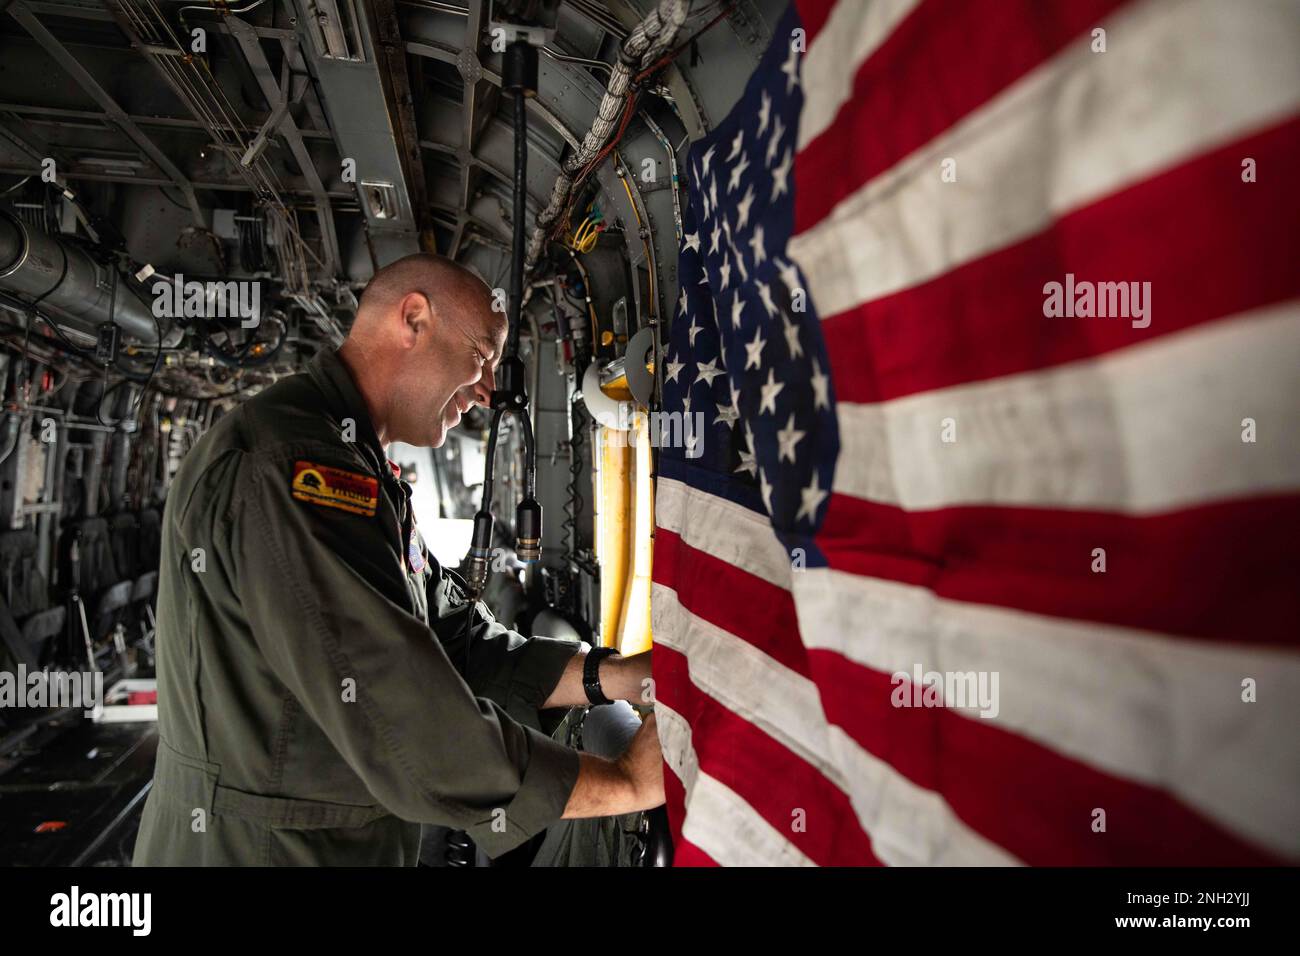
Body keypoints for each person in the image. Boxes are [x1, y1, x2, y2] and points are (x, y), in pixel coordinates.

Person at [132, 253, 664, 866]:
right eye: (483, 357)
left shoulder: (349, 459)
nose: (489, 390)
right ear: (413, 318)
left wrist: (616, 675)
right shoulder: (297, 470)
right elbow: (402, 709)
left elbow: (454, 640)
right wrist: (624, 781)